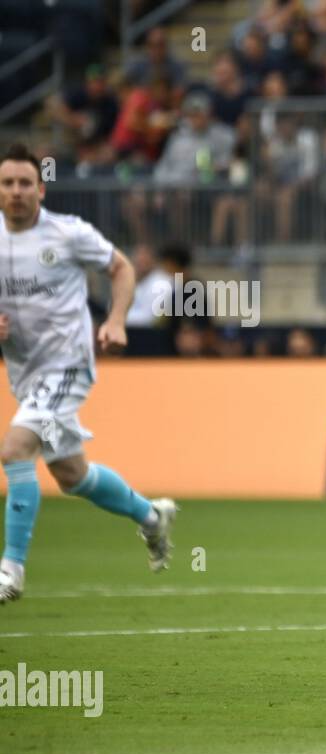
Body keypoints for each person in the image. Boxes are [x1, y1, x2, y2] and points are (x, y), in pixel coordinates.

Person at [0, 144, 176, 604]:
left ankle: (10, 570)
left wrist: (116, 320)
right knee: (70, 474)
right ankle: (152, 516)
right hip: (26, 373)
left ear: (40, 189)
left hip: (68, 364)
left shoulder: (67, 234)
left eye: (24, 183)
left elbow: (120, 268)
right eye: (7, 183)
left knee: (16, 447)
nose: (16, 192)